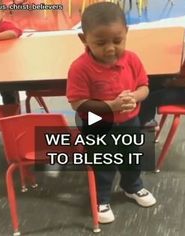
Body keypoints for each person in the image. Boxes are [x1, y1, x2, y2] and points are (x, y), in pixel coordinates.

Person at [66, 2, 156, 224]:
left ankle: (132, 186)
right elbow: (78, 103)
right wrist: (111, 106)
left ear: (126, 33)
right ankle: (101, 197)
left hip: (129, 120)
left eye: (117, 41)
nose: (110, 48)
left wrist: (135, 97)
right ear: (83, 39)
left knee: (131, 155)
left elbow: (144, 87)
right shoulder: (79, 68)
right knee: (103, 162)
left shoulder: (132, 59)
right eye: (100, 43)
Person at [139, 0, 185, 128]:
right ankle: (144, 119)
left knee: (147, 98)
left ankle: (146, 125)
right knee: (147, 82)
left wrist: (174, 83)